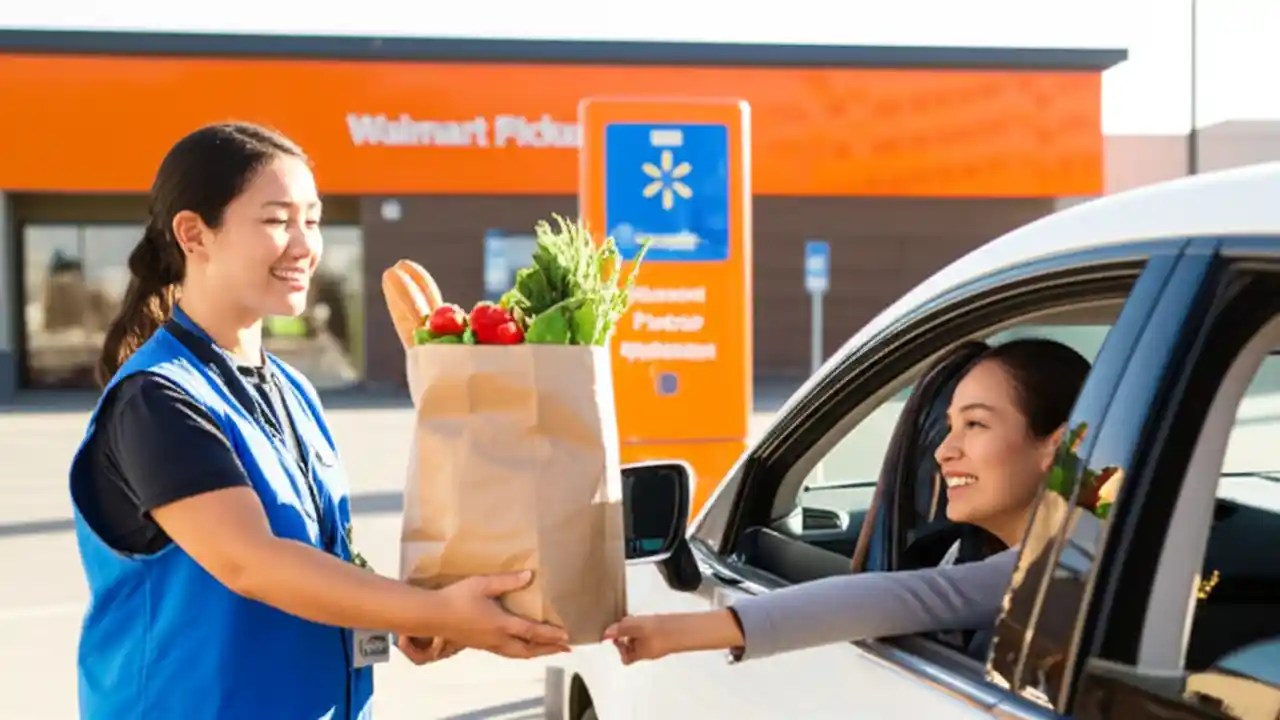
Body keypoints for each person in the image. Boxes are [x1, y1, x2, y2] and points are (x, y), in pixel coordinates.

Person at [68, 122, 568, 720]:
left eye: (314, 220)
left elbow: (320, 551)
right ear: (194, 234)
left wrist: (405, 611)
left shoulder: (294, 390)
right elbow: (253, 561)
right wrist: (438, 611)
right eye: (278, 220)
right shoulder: (157, 399)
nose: (305, 245)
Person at [603, 338, 1091, 665]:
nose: (944, 450)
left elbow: (904, 597)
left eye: (976, 424)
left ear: (1059, 445)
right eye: (950, 425)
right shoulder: (1079, 539)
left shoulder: (1069, 563)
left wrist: (674, 633)